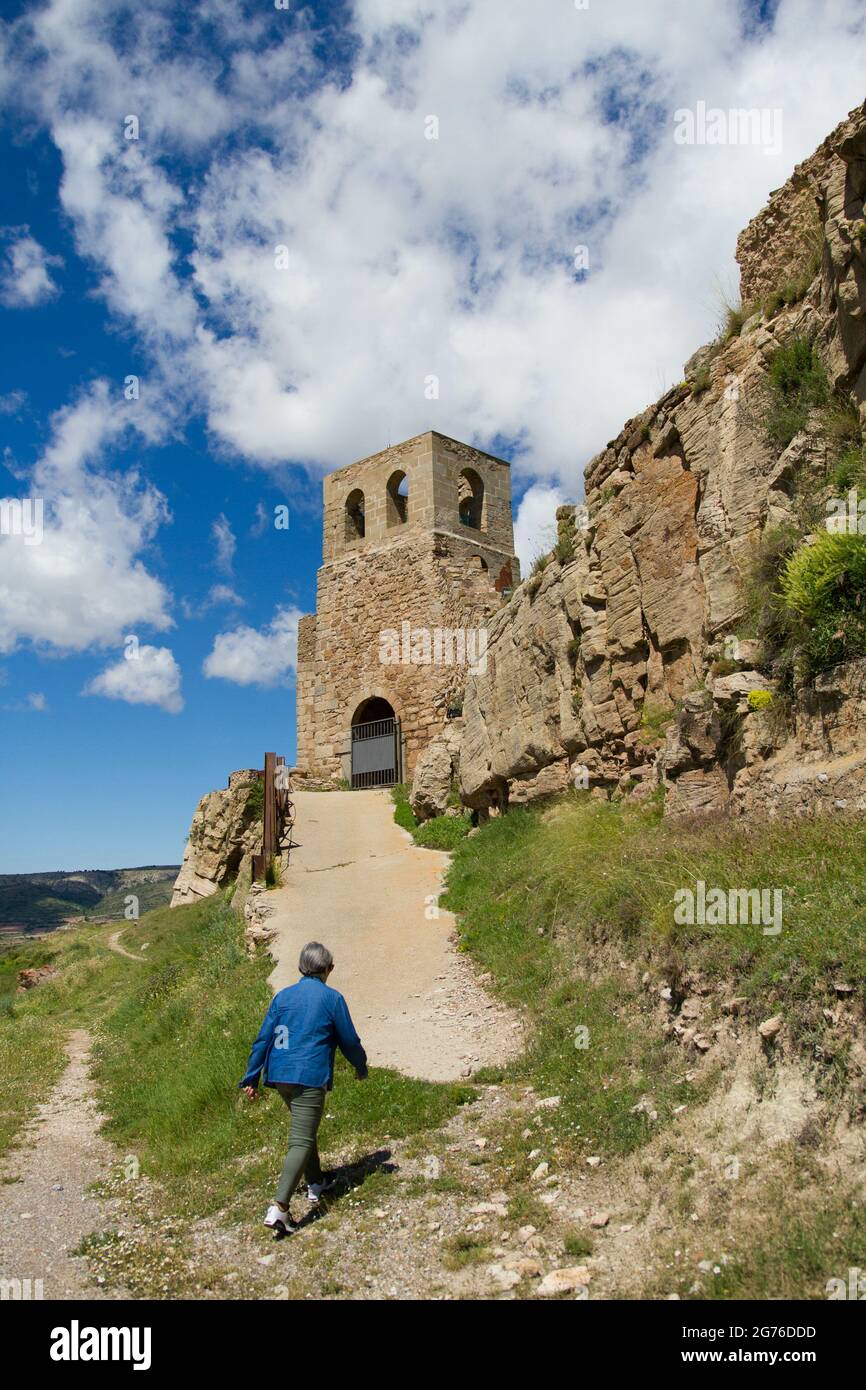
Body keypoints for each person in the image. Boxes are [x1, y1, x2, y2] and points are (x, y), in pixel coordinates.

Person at [239, 940, 368, 1234]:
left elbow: (263, 1039)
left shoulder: (283, 997)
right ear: (328, 969)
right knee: (300, 1140)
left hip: (280, 1076)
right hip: (309, 1076)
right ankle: (280, 1208)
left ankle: (316, 1181)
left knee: (303, 1129)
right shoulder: (332, 999)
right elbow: (349, 1041)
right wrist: (360, 1066)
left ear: (300, 968)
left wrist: (251, 1077)